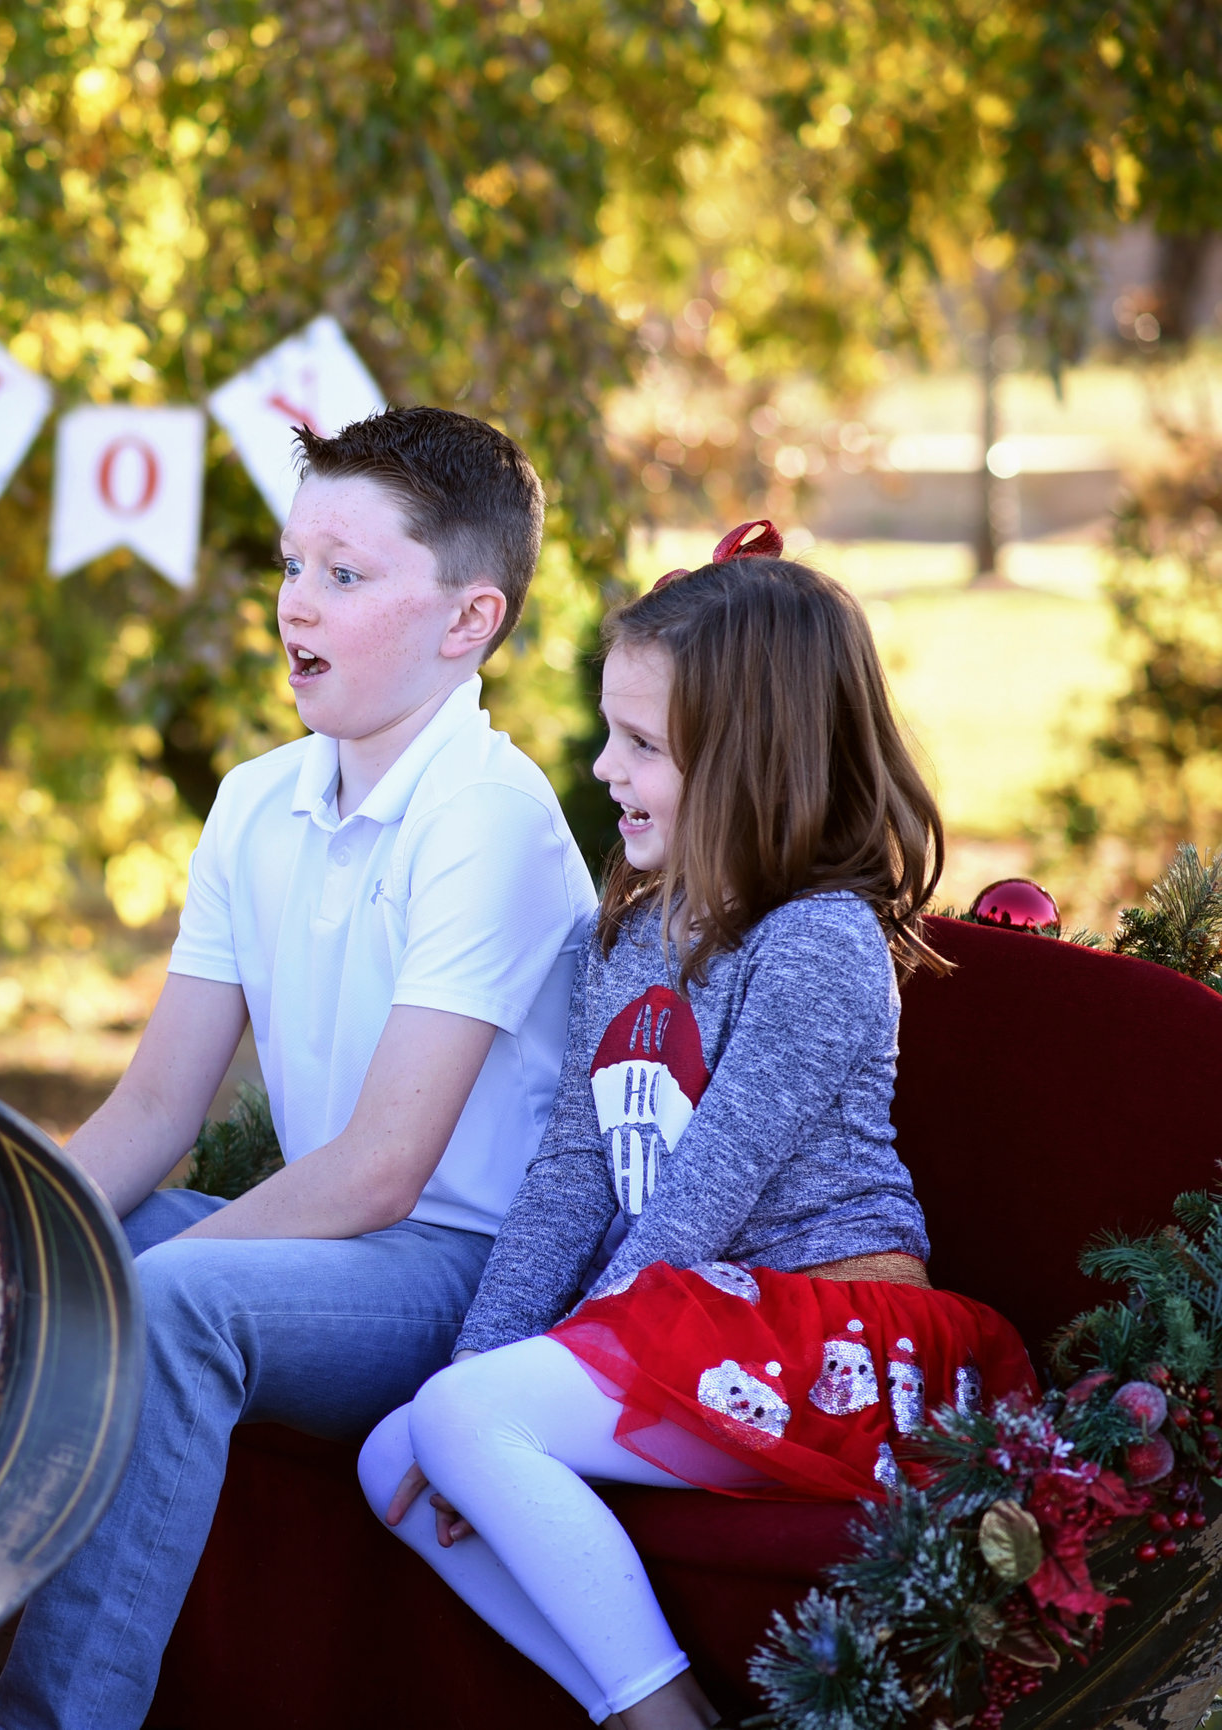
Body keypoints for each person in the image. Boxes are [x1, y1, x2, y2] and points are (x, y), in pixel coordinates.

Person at [359, 529, 1037, 1729]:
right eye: (608, 730)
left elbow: (699, 1195)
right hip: (693, 1319)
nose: (604, 766)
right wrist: (480, 1364)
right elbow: (575, 1174)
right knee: (402, 1453)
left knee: (468, 1422)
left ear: (750, 761)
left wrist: (531, 1377)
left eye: (643, 745)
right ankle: (638, 1707)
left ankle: (665, 1718)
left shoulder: (818, 941)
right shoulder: (625, 941)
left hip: (835, 1339)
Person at [0, 408, 596, 1730]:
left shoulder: (488, 820)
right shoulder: (258, 800)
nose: (293, 604)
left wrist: (147, 1277)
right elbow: (156, 1106)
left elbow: (383, 1171)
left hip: (456, 1271)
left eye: (345, 573)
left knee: (170, 1301)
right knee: (40, 1252)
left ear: (467, 620)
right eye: (289, 562)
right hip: (320, 1243)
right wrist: (9, 1224)